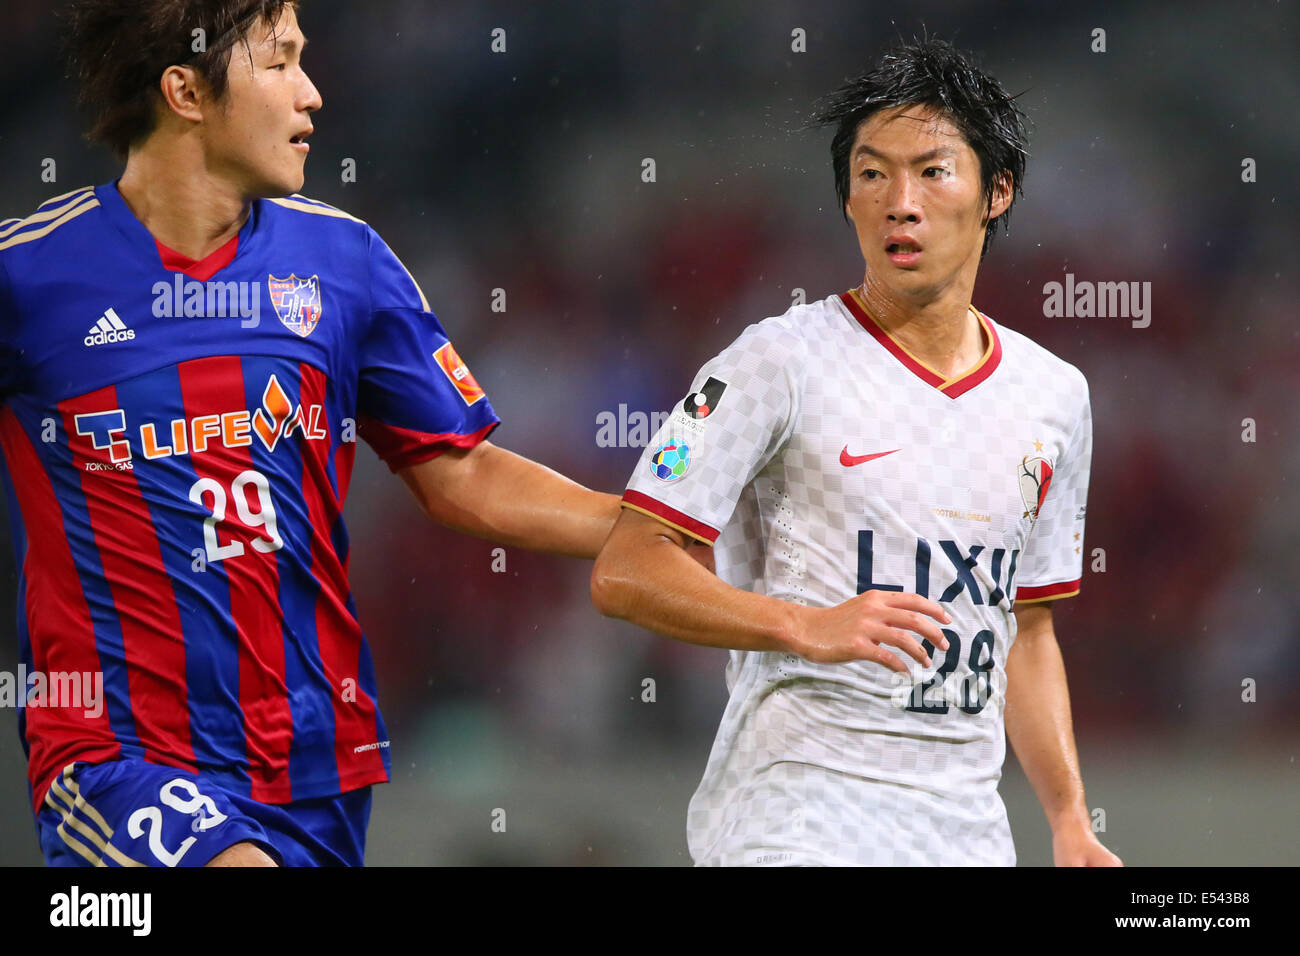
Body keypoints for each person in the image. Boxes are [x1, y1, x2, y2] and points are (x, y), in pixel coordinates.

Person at [0, 0, 619, 866]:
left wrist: (645, 525)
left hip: (315, 756)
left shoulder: (345, 261)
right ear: (185, 89)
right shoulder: (28, 275)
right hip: (116, 755)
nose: (313, 93)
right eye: (282, 61)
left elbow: (462, 473)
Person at [592, 37, 1123, 866]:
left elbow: (1026, 628)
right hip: (797, 814)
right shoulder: (772, 362)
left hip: (966, 833)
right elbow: (626, 568)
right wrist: (803, 624)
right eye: (872, 174)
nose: (899, 202)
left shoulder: (1056, 396)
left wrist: (1068, 821)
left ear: (998, 191)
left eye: (933, 172)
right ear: (846, 197)